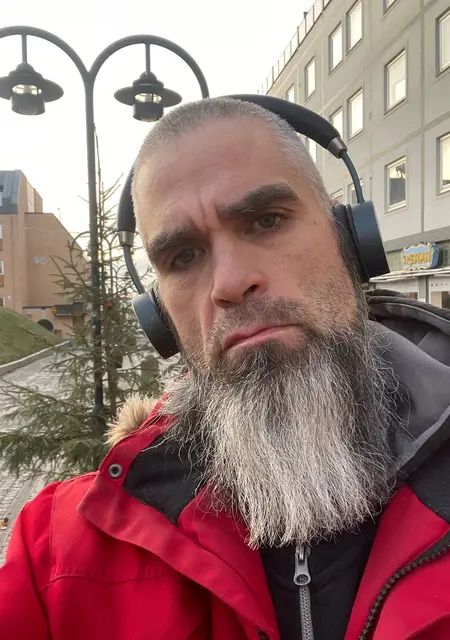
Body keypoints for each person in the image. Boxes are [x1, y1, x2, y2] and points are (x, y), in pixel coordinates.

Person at [1, 98, 450, 640]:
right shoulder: (54, 559)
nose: (230, 283)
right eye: (184, 257)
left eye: (266, 220)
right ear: (160, 316)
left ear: (350, 239)